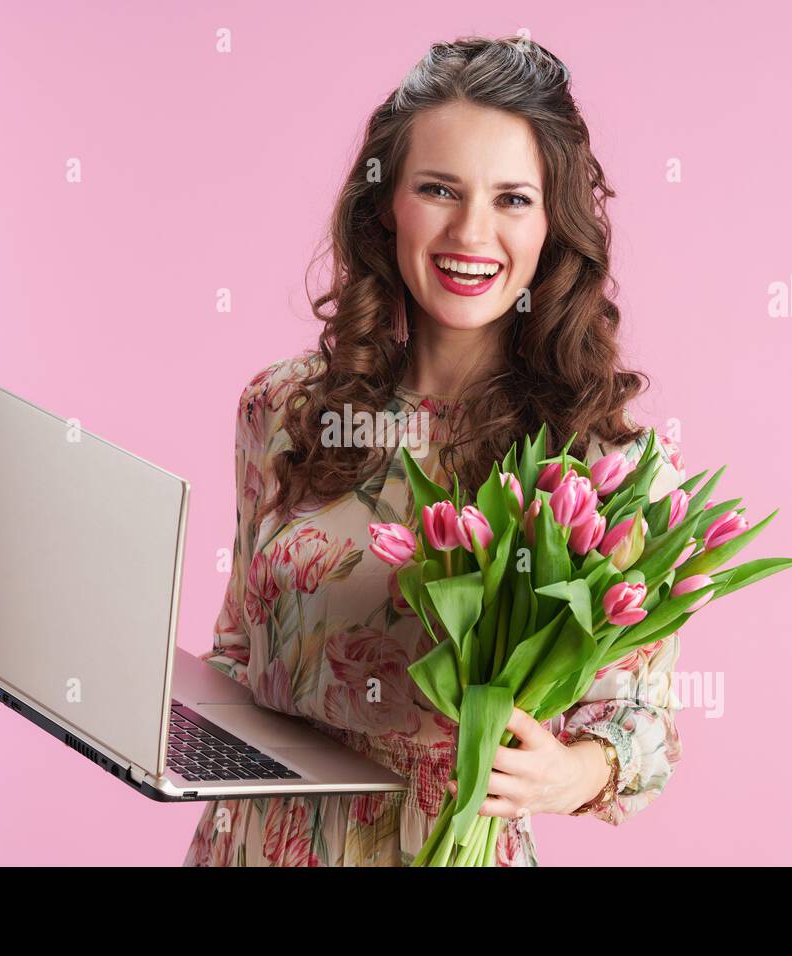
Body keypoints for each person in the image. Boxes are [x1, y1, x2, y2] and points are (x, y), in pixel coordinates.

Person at [184, 35, 688, 867]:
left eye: (512, 199)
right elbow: (240, 648)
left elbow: (643, 729)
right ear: (387, 204)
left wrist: (567, 773)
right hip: (250, 845)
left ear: (554, 223)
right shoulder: (284, 408)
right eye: (439, 189)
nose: (471, 232)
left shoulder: (595, 465)